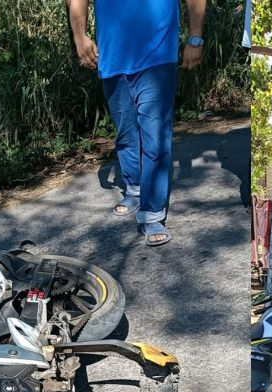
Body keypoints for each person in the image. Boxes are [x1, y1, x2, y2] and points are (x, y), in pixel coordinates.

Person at [67, 0, 206, 247]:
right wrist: (79, 36)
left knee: (156, 136)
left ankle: (152, 214)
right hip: (113, 56)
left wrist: (195, 38)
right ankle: (134, 188)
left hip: (157, 56)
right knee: (126, 133)